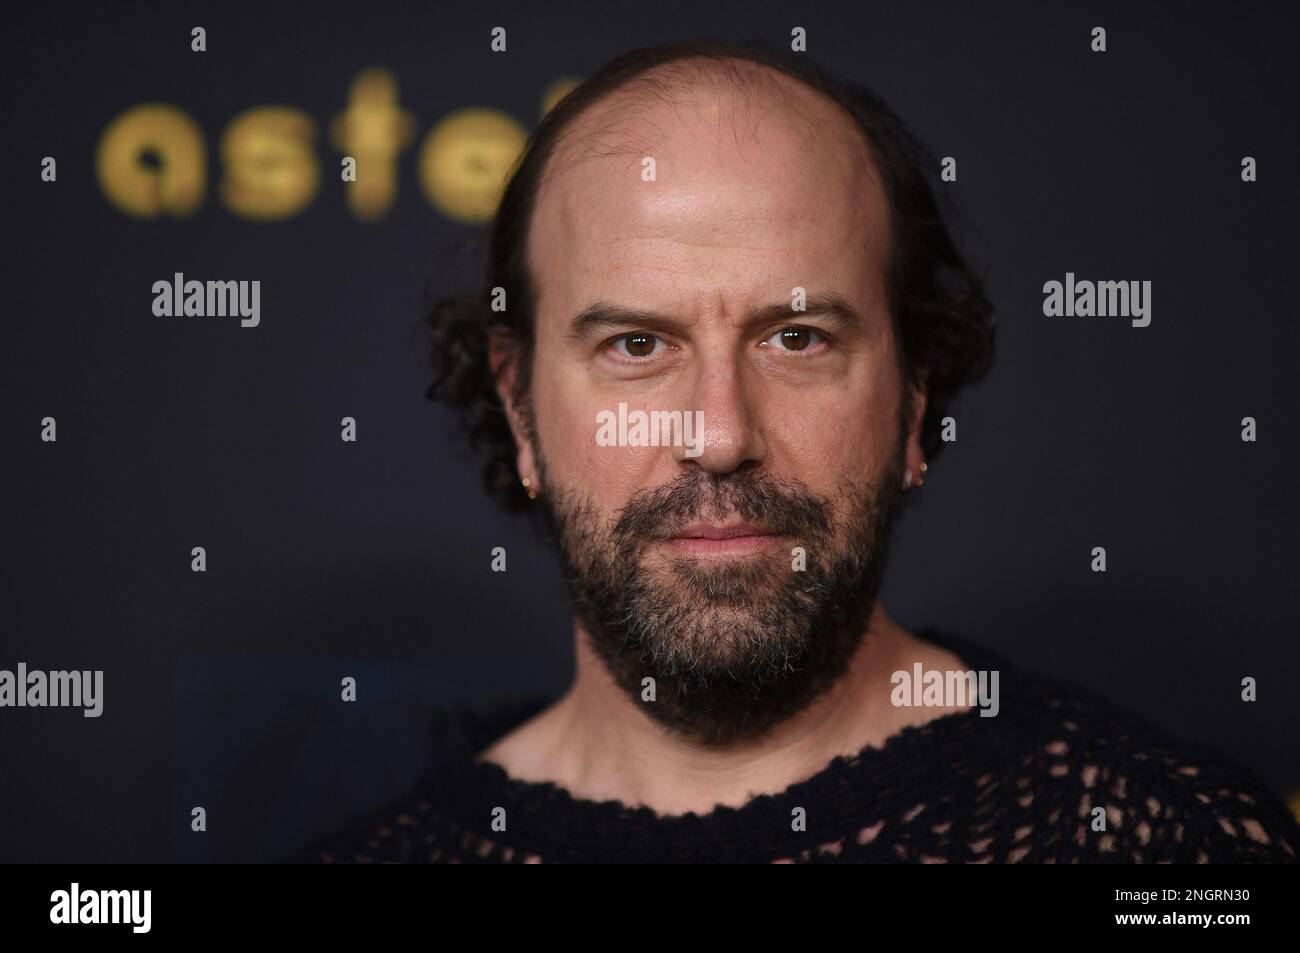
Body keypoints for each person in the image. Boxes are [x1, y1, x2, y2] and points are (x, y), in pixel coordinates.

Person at [291, 40, 1299, 863]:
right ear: (519, 409)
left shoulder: (1175, 848)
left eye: (798, 338)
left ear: (913, 395)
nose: (720, 436)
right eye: (637, 345)